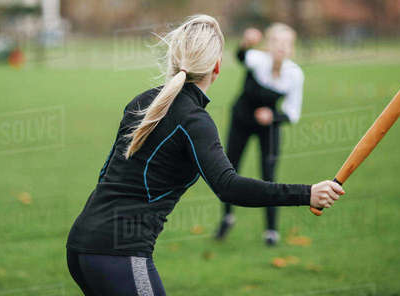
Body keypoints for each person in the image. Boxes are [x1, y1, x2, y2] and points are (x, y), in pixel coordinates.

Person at [66, 15, 344, 296]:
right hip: (119, 255)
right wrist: (306, 193)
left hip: (80, 245)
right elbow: (229, 187)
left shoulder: (142, 101)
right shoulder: (195, 121)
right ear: (217, 67)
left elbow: (105, 174)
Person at [215, 23, 304, 245]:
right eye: (276, 42)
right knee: (229, 169)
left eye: (286, 44)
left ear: (292, 48)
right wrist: (246, 42)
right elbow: (241, 55)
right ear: (268, 45)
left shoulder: (294, 75)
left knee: (269, 175)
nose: (281, 47)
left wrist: (273, 117)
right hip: (241, 121)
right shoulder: (257, 60)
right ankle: (227, 217)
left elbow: (293, 113)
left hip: (268, 128)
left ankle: (271, 231)